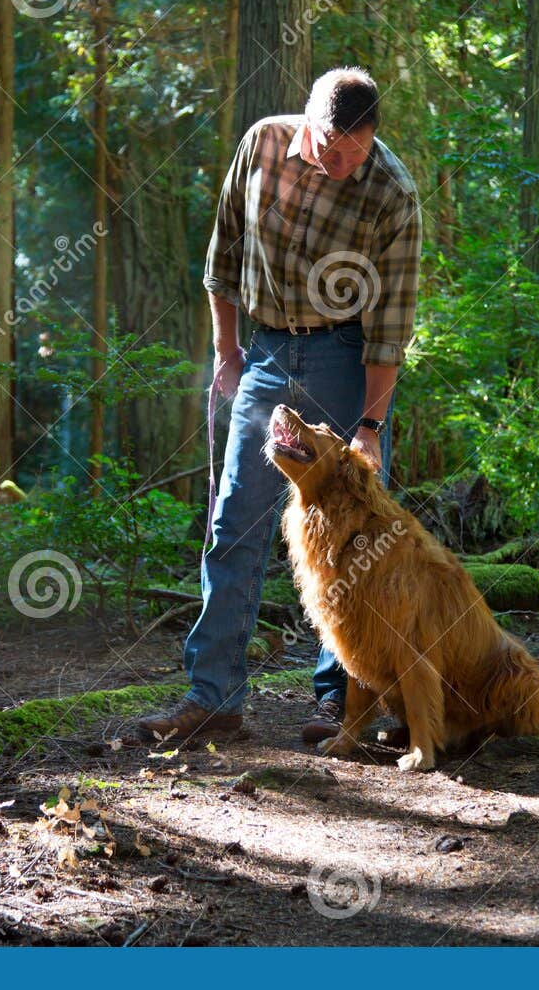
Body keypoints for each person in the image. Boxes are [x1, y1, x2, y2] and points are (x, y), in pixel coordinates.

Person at [137, 66, 421, 747]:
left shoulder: (391, 193)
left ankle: (341, 700)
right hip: (264, 354)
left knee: (351, 536)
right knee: (235, 521)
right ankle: (214, 697)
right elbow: (223, 256)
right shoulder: (262, 145)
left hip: (344, 360)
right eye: (333, 150)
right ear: (308, 124)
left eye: (358, 153)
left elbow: (393, 321)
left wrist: (371, 428)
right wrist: (228, 354)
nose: (343, 165)